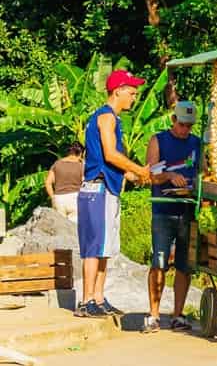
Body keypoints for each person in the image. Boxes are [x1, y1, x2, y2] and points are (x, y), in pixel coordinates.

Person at [76, 70, 152, 319]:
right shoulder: (106, 118)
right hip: (97, 189)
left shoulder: (111, 119)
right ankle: (86, 300)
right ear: (117, 90)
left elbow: (108, 161)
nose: (134, 96)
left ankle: (99, 297)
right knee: (94, 247)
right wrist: (139, 168)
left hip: (106, 187)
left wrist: (135, 177)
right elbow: (110, 154)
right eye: (131, 91)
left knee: (105, 247)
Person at [144, 101, 202, 333]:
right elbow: (150, 174)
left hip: (187, 210)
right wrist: (169, 175)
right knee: (159, 262)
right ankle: (154, 314)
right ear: (173, 121)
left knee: (184, 266)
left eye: (189, 126)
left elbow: (203, 170)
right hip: (163, 209)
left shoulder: (197, 143)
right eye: (181, 125)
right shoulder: (158, 140)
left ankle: (178, 314)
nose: (185, 130)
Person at [45, 143, 85, 222]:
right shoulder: (81, 165)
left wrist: (53, 197)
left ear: (69, 152)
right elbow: (84, 182)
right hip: (75, 199)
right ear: (80, 153)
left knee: (60, 229)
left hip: (59, 199)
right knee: (74, 229)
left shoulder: (57, 164)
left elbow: (48, 183)